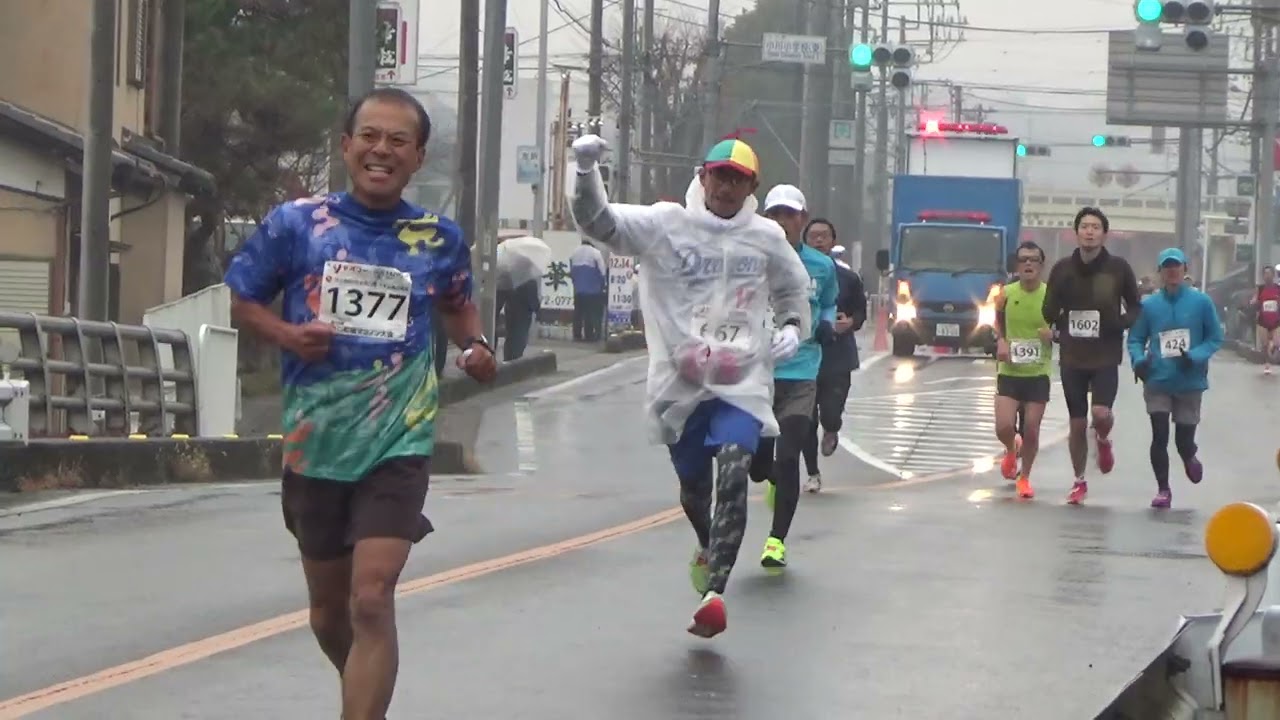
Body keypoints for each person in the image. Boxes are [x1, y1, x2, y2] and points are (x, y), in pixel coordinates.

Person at [223, 88, 497, 720]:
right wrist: (290, 336)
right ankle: (365, 693)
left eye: (398, 141)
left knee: (371, 598)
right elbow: (242, 299)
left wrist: (476, 346)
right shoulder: (295, 224)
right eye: (369, 136)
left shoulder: (437, 238)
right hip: (316, 439)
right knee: (329, 613)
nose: (382, 150)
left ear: (418, 156)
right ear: (345, 146)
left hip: (398, 437)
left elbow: (456, 303)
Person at [568, 134, 811, 638]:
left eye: (737, 179)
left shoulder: (767, 237)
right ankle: (706, 543)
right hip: (679, 388)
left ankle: (715, 593)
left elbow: (792, 288)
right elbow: (599, 223)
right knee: (695, 488)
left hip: (740, 382)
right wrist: (585, 170)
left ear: (751, 186)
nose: (725, 186)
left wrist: (790, 326)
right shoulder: (665, 225)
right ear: (702, 176)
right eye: (719, 175)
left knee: (734, 465)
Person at [749, 186, 837, 571]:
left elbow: (830, 300)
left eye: (790, 215)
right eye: (775, 215)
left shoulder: (821, 266)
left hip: (802, 373)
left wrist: (828, 323)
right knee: (756, 466)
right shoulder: (749, 261)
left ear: (803, 219)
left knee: (788, 457)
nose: (782, 222)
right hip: (756, 374)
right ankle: (770, 478)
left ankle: (776, 540)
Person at [1043, 207, 1142, 505]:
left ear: (1103, 234)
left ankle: (1102, 439)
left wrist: (1121, 323)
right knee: (1075, 423)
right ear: (1076, 232)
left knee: (1100, 414)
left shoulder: (1118, 268)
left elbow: (1135, 306)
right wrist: (1059, 320)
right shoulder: (1062, 269)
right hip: (1073, 354)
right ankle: (1079, 480)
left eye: (1095, 227)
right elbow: (1048, 310)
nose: (1089, 231)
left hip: (1105, 354)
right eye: (1084, 226)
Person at [1127, 248, 1221, 508]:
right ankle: (1163, 489)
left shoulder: (1201, 303)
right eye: (1166, 267)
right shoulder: (1149, 305)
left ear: (1184, 270)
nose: (1172, 271)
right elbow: (1135, 339)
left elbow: (1215, 337)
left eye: (1176, 266)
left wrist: (1196, 355)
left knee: (1183, 440)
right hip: (1158, 379)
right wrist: (1138, 360)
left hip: (1190, 380)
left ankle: (1190, 457)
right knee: (1159, 434)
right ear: (1160, 273)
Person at [799, 218, 866, 493]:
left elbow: (860, 312)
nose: (818, 241)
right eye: (813, 236)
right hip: (805, 356)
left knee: (830, 412)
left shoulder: (848, 278)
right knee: (804, 420)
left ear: (833, 240)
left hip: (838, 356)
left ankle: (832, 428)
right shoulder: (796, 273)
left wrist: (850, 323)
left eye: (823, 236)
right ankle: (812, 473)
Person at [993, 241, 1054, 500]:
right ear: (1017, 266)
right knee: (1004, 426)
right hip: (1009, 370)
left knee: (1031, 428)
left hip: (1038, 372)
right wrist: (1001, 340)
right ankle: (1010, 449)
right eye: (1023, 260)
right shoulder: (1005, 293)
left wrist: (1054, 334)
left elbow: (1062, 325)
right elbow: (996, 320)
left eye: (1033, 260)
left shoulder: (1051, 295)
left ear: (1041, 266)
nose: (1028, 264)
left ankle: (1025, 477)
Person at [569, 239, 607, 341]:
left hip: (578, 290)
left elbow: (571, 272)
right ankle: (589, 335)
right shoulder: (596, 253)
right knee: (590, 313)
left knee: (578, 313)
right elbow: (602, 272)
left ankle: (577, 335)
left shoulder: (574, 252)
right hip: (593, 290)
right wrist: (603, 286)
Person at [496, 274, 539, 361]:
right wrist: (538, 311)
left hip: (510, 311)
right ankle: (516, 359)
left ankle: (507, 359)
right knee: (520, 338)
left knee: (510, 337)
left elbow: (501, 297)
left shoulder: (509, 279)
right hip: (523, 313)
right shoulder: (530, 281)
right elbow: (533, 300)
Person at [1253, 266, 1280, 374]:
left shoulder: (1278, 288)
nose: (1267, 276)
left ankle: (1273, 345)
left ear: (1273, 275)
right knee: (1264, 345)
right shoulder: (1260, 288)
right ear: (1263, 276)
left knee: (1277, 343)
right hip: (1263, 320)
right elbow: (1255, 299)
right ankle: (1267, 364)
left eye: (1269, 273)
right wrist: (1254, 301)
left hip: (1276, 320)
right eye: (1265, 274)